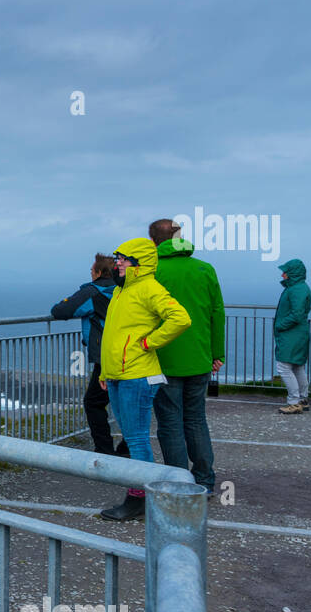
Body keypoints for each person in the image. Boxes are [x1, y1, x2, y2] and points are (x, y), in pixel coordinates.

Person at [97, 238, 191, 521]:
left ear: (139, 263)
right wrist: (104, 372)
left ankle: (139, 500)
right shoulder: (121, 290)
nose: (118, 263)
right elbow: (114, 333)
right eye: (117, 258)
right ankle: (141, 497)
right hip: (118, 375)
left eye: (124, 259)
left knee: (137, 440)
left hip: (137, 376)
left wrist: (150, 342)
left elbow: (180, 318)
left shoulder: (149, 287)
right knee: (131, 437)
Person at [149, 218, 226, 495]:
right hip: (199, 359)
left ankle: (180, 484)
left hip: (163, 360)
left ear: (153, 241)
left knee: (169, 423)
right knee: (196, 420)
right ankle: (204, 479)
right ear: (179, 236)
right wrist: (217, 353)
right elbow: (217, 313)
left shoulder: (152, 270)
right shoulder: (205, 269)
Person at [51, 253, 128, 457]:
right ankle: (125, 449)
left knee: (93, 402)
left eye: (92, 270)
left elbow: (60, 310)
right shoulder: (125, 289)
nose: (91, 273)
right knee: (126, 404)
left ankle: (106, 451)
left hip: (107, 356)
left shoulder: (94, 292)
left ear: (99, 272)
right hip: (131, 353)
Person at [273, 259, 311, 414]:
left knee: (283, 366)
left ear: (292, 273)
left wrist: (280, 325)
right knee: (297, 366)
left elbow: (296, 314)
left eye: (285, 272)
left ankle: (294, 402)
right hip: (297, 333)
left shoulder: (296, 289)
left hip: (292, 334)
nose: (283, 275)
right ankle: (303, 399)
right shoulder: (299, 288)